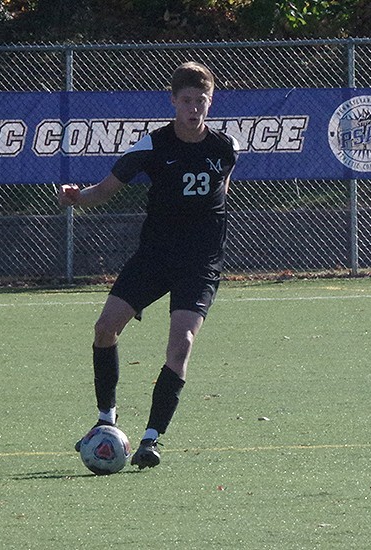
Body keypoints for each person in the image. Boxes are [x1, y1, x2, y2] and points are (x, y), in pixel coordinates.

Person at [60, 61, 238, 470]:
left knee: (182, 343)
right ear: (173, 101)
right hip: (155, 256)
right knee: (105, 328)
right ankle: (105, 418)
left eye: (201, 101)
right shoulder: (152, 146)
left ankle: (151, 439)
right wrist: (77, 197)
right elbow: (105, 189)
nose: (194, 108)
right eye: (186, 100)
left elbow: (221, 197)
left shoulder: (225, 148)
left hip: (199, 263)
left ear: (211, 102)